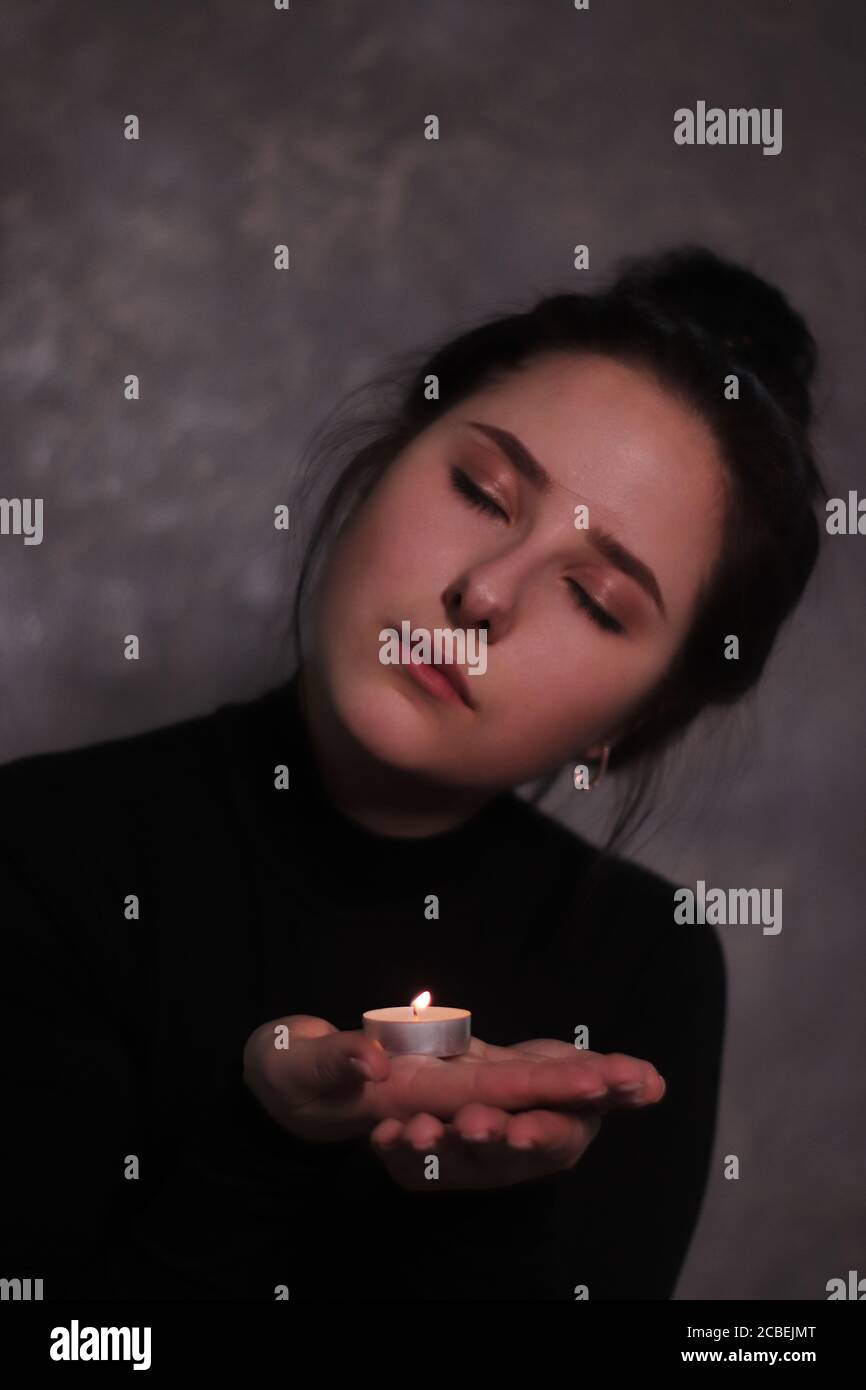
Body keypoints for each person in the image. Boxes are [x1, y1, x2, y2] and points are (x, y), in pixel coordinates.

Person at [0, 245, 825, 1301]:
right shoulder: (40, 850)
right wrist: (271, 1133)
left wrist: (484, 1212)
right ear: (384, 460)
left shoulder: (640, 968)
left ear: (643, 714)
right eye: (482, 492)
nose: (483, 594)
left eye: (594, 600)